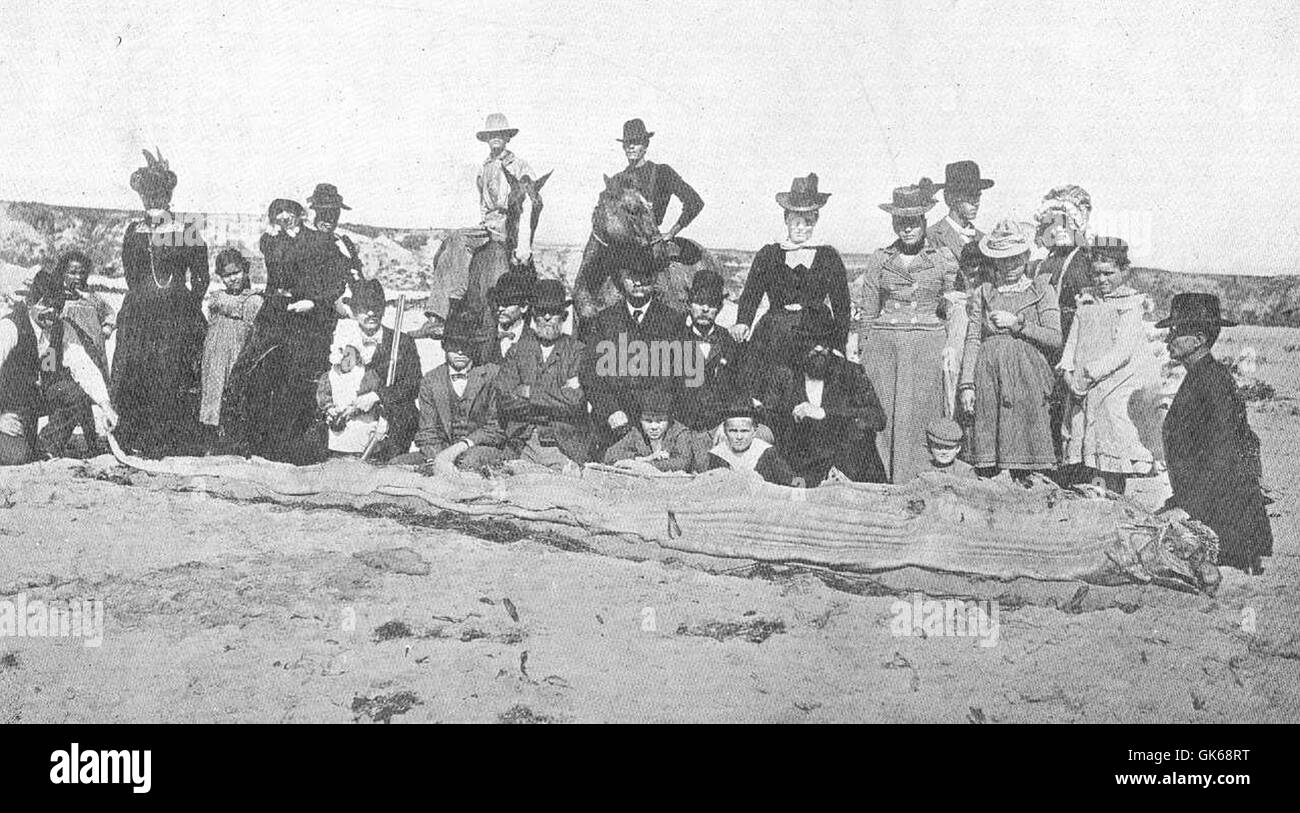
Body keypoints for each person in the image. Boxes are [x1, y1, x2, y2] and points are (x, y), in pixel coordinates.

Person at [220, 197, 348, 463]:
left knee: (294, 378)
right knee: (250, 367)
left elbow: (336, 282)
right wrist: (275, 237)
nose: (283, 216)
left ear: (299, 213)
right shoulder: (270, 241)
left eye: (289, 211)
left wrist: (313, 302)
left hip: (304, 317)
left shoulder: (319, 241)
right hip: (275, 310)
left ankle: (288, 445)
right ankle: (241, 438)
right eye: (277, 213)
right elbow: (276, 265)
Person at [1156, 293, 1273, 574]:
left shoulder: (1214, 381)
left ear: (1198, 339)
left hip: (1227, 524)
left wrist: (1188, 508)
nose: (1166, 339)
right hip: (1210, 507)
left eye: (1175, 332)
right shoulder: (1202, 376)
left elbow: (1225, 453)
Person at [856, 177, 959, 483]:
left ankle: (922, 480)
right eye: (901, 221)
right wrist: (864, 350)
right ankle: (886, 479)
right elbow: (869, 310)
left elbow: (951, 306)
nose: (908, 228)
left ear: (924, 222)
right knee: (885, 414)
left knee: (922, 414)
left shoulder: (942, 259)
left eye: (913, 221)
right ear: (893, 223)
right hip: (885, 348)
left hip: (928, 345)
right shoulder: (880, 259)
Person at [111, 148, 209, 457]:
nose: (153, 201)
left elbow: (202, 276)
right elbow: (130, 273)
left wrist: (187, 305)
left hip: (175, 316)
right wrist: (143, 298)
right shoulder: (134, 230)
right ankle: (132, 435)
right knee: (135, 371)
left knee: (169, 374)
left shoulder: (184, 229)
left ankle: (163, 441)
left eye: (158, 195)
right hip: (140, 315)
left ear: (168, 196)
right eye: (147, 196)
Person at [573, 118, 705, 326]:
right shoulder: (616, 180)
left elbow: (694, 202)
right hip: (620, 252)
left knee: (667, 303)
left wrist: (671, 232)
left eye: (636, 142)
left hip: (649, 250)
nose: (631, 147)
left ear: (646, 145)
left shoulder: (662, 173)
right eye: (627, 143)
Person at [959, 220, 1062, 478]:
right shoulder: (984, 292)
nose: (1009, 267)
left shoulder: (1042, 290)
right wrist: (967, 384)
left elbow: (1055, 338)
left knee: (1025, 454)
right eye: (1002, 260)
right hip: (988, 378)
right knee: (988, 459)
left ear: (1026, 256)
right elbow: (973, 339)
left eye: (1015, 259)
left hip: (1027, 379)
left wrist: (1018, 324)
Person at [733, 174, 850, 392]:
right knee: (771, 386)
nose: (800, 228)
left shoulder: (828, 256)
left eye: (806, 222)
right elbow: (751, 294)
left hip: (816, 332)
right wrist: (743, 321)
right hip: (775, 332)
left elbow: (842, 305)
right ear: (786, 218)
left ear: (815, 221)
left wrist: (839, 343)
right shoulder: (769, 254)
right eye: (795, 221)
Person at [1056, 238, 1155, 493]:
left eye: (1109, 273)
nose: (1102, 280)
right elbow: (1073, 341)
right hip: (1080, 389)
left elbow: (1121, 352)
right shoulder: (1086, 302)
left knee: (1108, 445)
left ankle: (1111, 501)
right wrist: (1068, 373)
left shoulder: (1130, 305)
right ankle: (1089, 502)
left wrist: (1088, 377)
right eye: (1097, 273)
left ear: (1125, 271)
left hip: (1111, 384)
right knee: (1084, 449)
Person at [0, 273, 118, 464]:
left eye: (57, 307)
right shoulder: (9, 327)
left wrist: (106, 406)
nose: (53, 313)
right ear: (31, 302)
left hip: (34, 399)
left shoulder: (59, 328)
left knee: (73, 393)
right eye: (47, 306)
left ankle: (47, 448)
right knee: (16, 455)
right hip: (8, 405)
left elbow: (83, 366)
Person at [763, 306, 886, 486]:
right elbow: (769, 419)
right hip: (802, 467)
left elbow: (877, 418)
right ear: (800, 344)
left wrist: (825, 413)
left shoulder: (850, 373)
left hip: (849, 467)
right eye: (812, 343)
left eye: (825, 342)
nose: (820, 348)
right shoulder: (784, 375)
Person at [582, 248, 682, 457]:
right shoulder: (605, 321)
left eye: (644, 276)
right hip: (614, 423)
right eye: (631, 276)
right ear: (621, 278)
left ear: (654, 278)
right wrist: (610, 411)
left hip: (658, 424)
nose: (637, 282)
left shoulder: (673, 321)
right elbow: (590, 374)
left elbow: (680, 376)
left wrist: (658, 416)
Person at [396, 305, 509, 472]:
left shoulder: (492, 375)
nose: (461, 351)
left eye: (466, 344)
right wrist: (439, 459)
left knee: (468, 463)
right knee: (397, 465)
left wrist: (460, 448)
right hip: (439, 451)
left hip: (479, 449)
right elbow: (427, 432)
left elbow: (495, 429)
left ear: (475, 346)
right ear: (444, 345)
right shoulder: (431, 380)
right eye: (454, 344)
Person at [496, 280, 591, 470]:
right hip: (522, 444)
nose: (547, 317)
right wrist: (556, 397)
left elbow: (575, 401)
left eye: (554, 312)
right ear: (533, 316)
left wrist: (529, 392)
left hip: (564, 445)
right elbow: (505, 399)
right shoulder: (517, 352)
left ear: (563, 316)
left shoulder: (578, 352)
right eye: (540, 312)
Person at [42, 253, 114, 456]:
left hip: (91, 350)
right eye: (72, 272)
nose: (77, 277)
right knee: (69, 393)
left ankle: (92, 441)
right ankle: (56, 440)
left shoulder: (91, 297)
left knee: (93, 391)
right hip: (65, 352)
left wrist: (107, 327)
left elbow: (109, 312)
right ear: (63, 273)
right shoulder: (56, 298)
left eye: (81, 273)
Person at [674, 269, 748, 451]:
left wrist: (727, 424)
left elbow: (741, 388)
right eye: (699, 302)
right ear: (689, 305)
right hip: (681, 429)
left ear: (720, 307)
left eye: (712, 303)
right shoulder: (674, 342)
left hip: (719, 429)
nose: (705, 309)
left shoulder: (731, 343)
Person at [346, 279, 421, 461]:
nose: (371, 313)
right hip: (348, 414)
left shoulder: (402, 342)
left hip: (389, 416)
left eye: (376, 307)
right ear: (355, 311)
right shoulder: (342, 338)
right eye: (365, 308)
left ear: (384, 309)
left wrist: (378, 395)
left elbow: (413, 384)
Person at [199, 249, 262, 447]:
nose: (232, 278)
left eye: (236, 273)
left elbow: (254, 334)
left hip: (237, 353)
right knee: (212, 393)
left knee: (233, 394)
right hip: (214, 355)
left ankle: (233, 441)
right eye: (227, 275)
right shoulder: (216, 298)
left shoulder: (253, 300)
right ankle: (211, 440)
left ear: (245, 271)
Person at [1031, 184, 1094, 343]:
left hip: (1072, 331)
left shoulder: (1082, 259)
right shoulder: (1044, 263)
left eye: (1064, 223)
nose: (1058, 229)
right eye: (1052, 224)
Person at [316, 324, 387, 458]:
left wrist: (356, 407)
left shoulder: (366, 374)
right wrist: (329, 408)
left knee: (361, 453)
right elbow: (324, 395)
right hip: (337, 427)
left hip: (361, 423)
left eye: (349, 355)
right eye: (342, 356)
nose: (345, 360)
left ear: (358, 355)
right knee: (338, 455)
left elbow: (372, 397)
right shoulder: (330, 376)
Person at [705, 400, 802, 487]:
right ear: (725, 431)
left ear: (754, 432)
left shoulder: (766, 452)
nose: (739, 437)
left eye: (744, 431)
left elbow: (790, 480)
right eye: (733, 431)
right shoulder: (718, 454)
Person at [927, 161, 993, 287]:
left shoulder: (984, 239)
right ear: (951, 197)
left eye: (978, 196)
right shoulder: (931, 236)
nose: (976, 202)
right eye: (969, 195)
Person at [602, 388, 694, 474]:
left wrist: (643, 465)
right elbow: (610, 455)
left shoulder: (680, 433)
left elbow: (682, 463)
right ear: (640, 420)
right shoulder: (637, 433)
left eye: (660, 421)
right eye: (648, 421)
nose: (654, 427)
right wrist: (643, 459)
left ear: (669, 420)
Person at [307, 182, 364, 306]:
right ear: (315, 212)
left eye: (334, 213)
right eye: (324, 213)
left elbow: (358, 277)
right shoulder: (304, 241)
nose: (330, 220)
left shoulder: (344, 243)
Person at [480, 270, 534, 365]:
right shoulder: (482, 339)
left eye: (507, 303)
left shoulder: (535, 341)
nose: (500, 308)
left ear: (524, 307)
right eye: (498, 302)